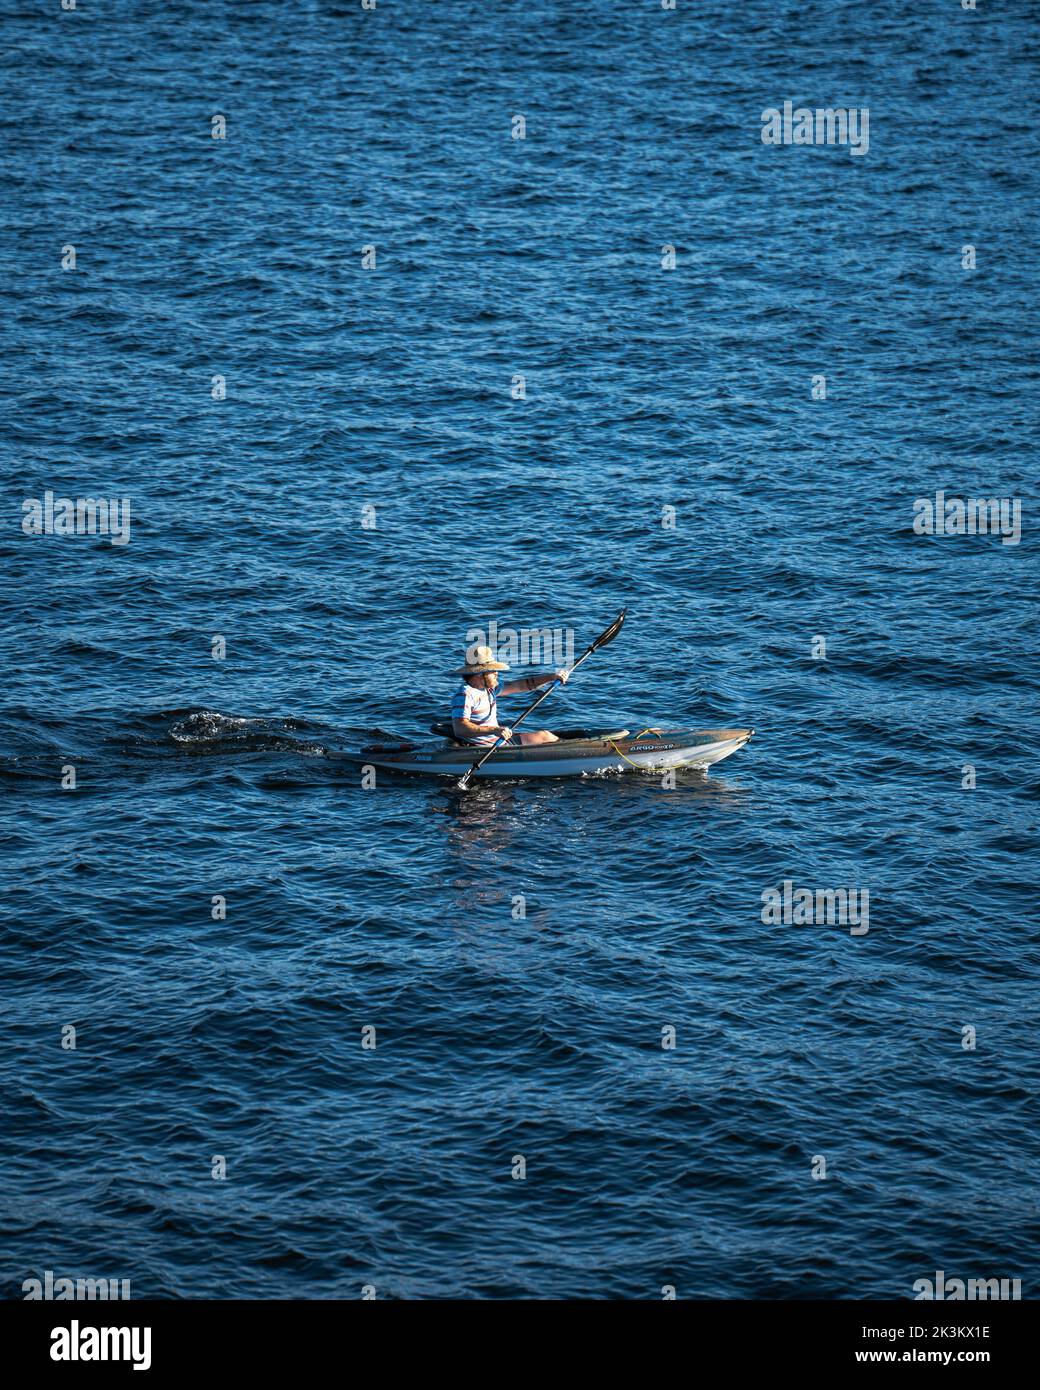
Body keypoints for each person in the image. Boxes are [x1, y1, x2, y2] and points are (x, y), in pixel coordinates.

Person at [450, 645, 569, 746]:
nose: (497, 673)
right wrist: (495, 730)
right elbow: (460, 729)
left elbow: (523, 685)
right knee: (544, 737)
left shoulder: (490, 689)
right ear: (479, 674)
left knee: (545, 735)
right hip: (488, 750)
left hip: (500, 741)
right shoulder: (465, 695)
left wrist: (551, 677)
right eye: (492, 670)